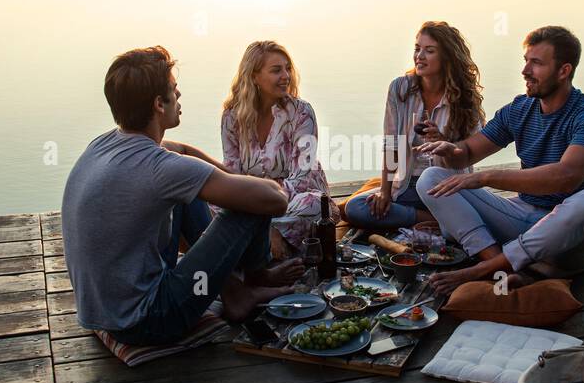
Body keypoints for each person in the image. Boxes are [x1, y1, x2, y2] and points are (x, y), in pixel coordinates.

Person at [62, 46, 301, 346]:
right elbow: (275, 199)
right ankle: (251, 279)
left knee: (198, 190)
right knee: (251, 203)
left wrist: (224, 177)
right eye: (174, 91)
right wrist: (237, 183)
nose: (180, 96)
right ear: (159, 105)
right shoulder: (161, 169)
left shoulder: (105, 144)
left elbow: (183, 153)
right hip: (150, 320)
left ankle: (234, 290)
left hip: (104, 313)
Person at [416, 25, 584, 297]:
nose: (525, 71)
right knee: (431, 179)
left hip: (569, 238)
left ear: (564, 71)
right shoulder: (520, 109)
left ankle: (480, 270)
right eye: (525, 61)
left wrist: (486, 177)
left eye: (536, 63)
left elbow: (566, 177)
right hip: (524, 218)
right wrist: (451, 149)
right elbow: (469, 152)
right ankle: (503, 268)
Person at [344, 21, 485, 231]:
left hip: (445, 187)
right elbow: (391, 142)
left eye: (429, 51)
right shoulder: (400, 89)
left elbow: (473, 150)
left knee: (470, 217)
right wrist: (385, 190)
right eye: (417, 49)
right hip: (407, 186)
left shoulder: (465, 99)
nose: (419, 56)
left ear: (447, 57)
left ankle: (442, 218)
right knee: (356, 208)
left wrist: (443, 142)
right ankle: (433, 220)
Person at [220, 41, 332, 254]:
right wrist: (249, 201)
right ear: (254, 76)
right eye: (276, 70)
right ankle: (270, 239)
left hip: (294, 197)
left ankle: (262, 238)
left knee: (314, 205)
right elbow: (232, 172)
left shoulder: (302, 113)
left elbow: (302, 178)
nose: (286, 76)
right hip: (250, 199)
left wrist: (260, 203)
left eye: (287, 68)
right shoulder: (231, 117)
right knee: (209, 204)